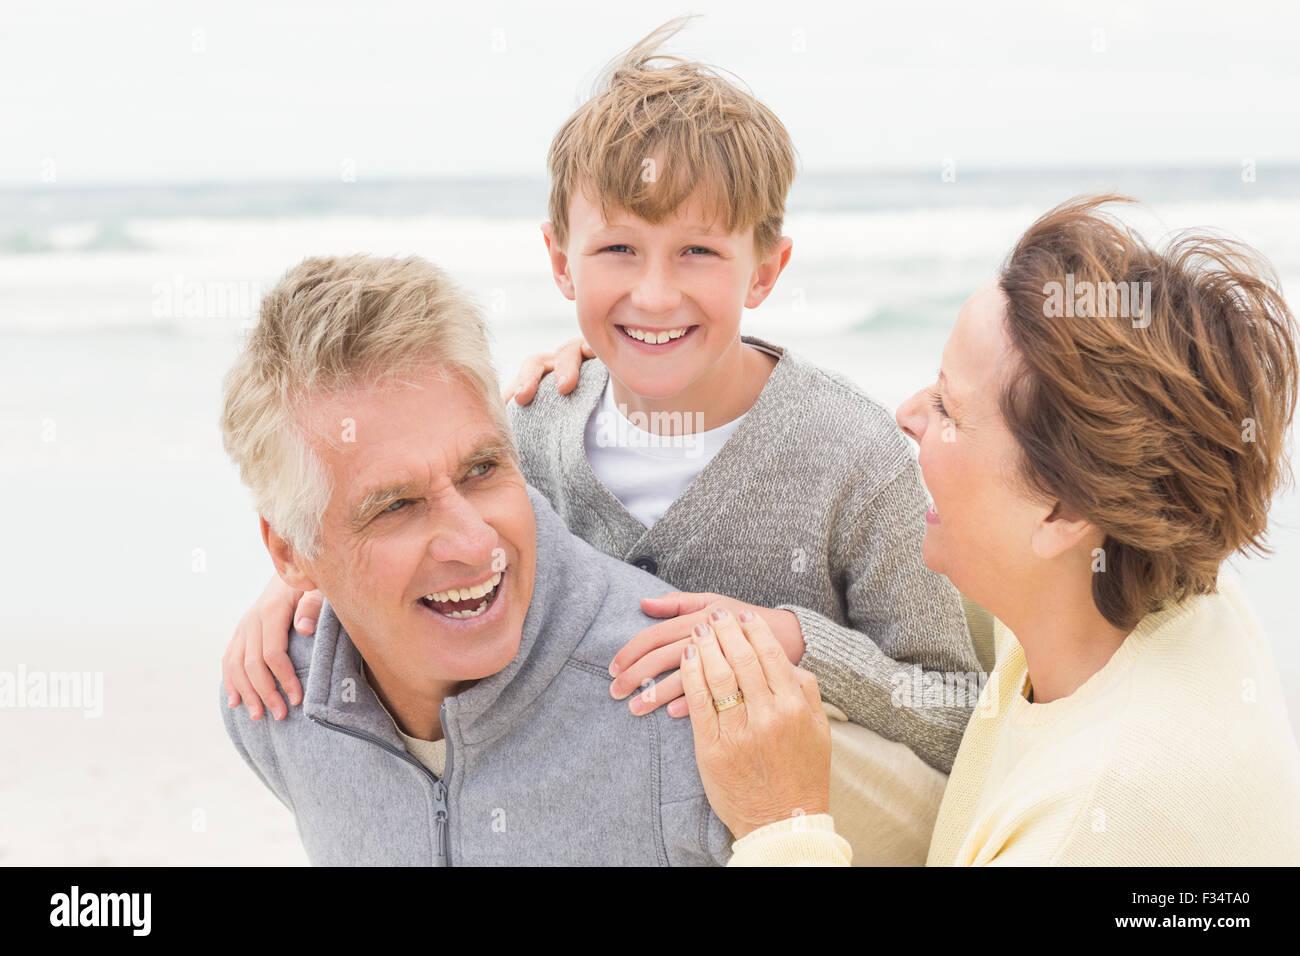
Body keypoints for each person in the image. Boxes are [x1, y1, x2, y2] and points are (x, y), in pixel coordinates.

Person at [222, 16, 981, 866]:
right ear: (560, 262)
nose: (654, 295)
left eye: (697, 251)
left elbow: (957, 712)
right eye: (619, 249)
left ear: (766, 269)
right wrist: (295, 590)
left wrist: (798, 638)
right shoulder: (536, 423)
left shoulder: (854, 455)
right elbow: (416, 524)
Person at [687, 195, 1300, 866]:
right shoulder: (1141, 586)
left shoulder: (1096, 817)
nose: (908, 413)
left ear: (1063, 512)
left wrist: (781, 824)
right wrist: (627, 378)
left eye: (949, 407)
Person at [218, 253, 734, 865]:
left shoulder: (691, 709)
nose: (473, 544)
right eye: (396, 506)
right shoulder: (273, 704)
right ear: (291, 551)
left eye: (482, 469)